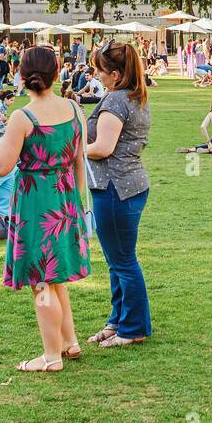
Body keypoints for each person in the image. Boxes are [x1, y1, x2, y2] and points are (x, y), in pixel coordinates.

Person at [0, 44, 91, 373]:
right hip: (65, 197)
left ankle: (50, 356)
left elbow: (1, 166)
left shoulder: (22, 117)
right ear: (56, 74)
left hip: (35, 201)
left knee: (42, 280)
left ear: (21, 74)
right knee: (55, 276)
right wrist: (76, 203)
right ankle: (69, 342)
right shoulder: (75, 109)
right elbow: (79, 162)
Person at [84, 40, 153, 348]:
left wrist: (73, 151)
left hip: (115, 188)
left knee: (123, 261)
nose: (96, 75)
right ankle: (118, 320)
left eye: (100, 70)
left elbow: (102, 148)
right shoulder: (135, 97)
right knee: (117, 260)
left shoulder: (115, 102)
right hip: (130, 185)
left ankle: (133, 327)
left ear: (114, 74)